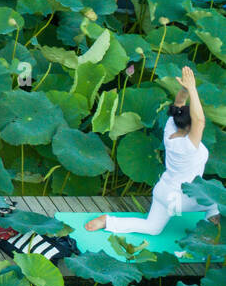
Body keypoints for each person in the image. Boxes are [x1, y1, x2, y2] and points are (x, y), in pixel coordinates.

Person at [86, 68, 217, 236]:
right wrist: (192, 88)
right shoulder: (188, 147)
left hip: (163, 191)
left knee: (152, 228)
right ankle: (206, 237)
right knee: (217, 202)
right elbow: (199, 120)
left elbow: (178, 107)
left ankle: (108, 221)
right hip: (178, 200)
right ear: (190, 128)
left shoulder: (170, 129)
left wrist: (185, 90)